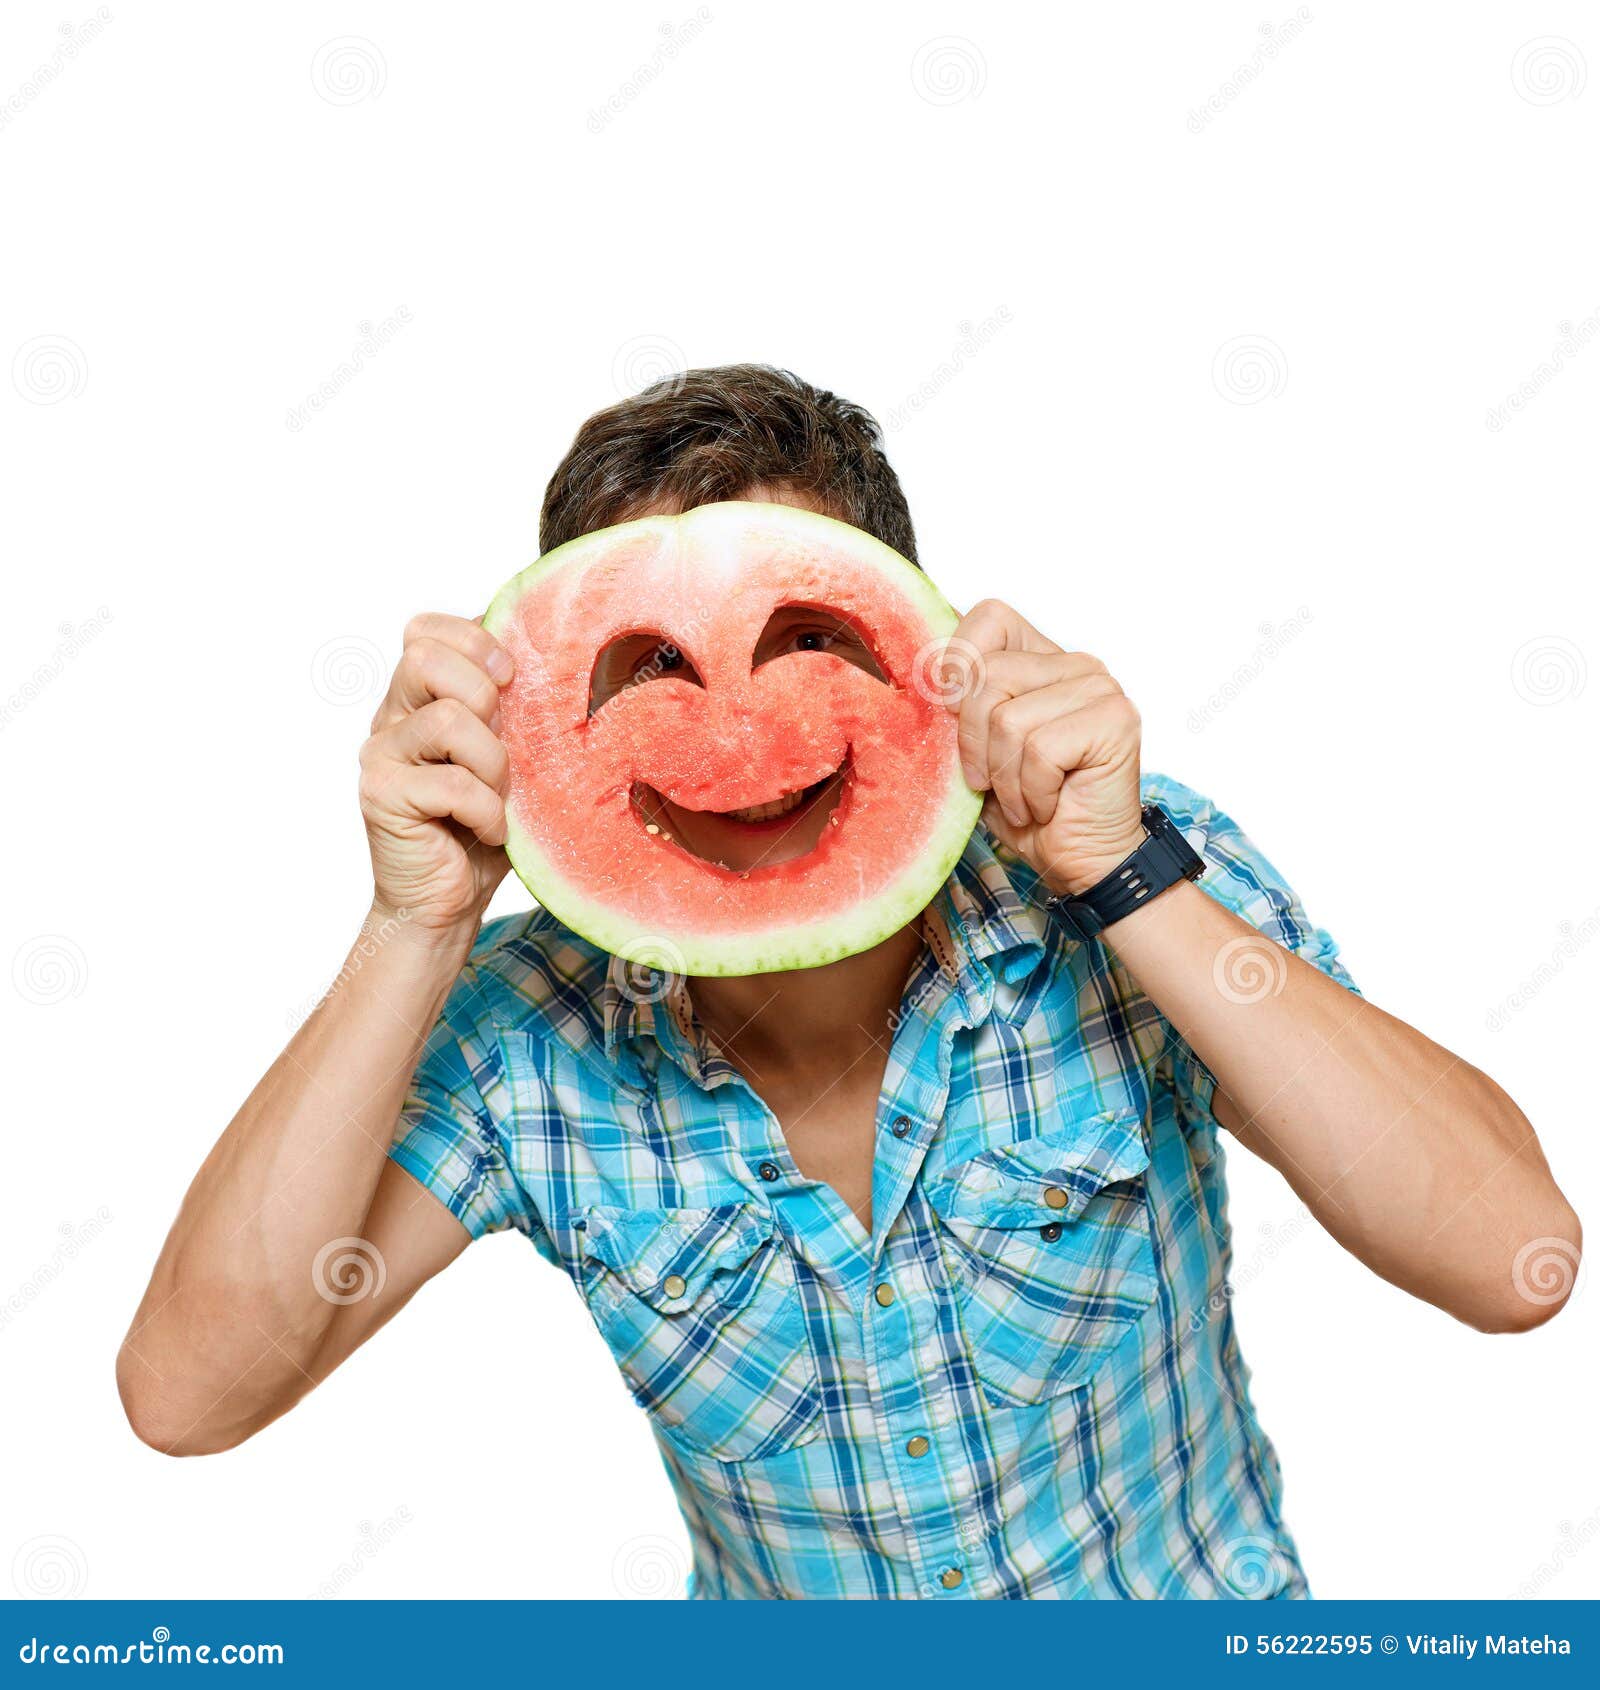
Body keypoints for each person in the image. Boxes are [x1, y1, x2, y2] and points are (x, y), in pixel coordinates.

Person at [118, 365, 1580, 1599]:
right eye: (655, 667)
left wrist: (1122, 874)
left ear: (929, 659)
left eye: (811, 641)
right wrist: (412, 924)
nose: (743, 740)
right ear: (554, 717)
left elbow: (1515, 1257)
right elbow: (187, 1397)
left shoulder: (1124, 874)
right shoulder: (529, 1033)